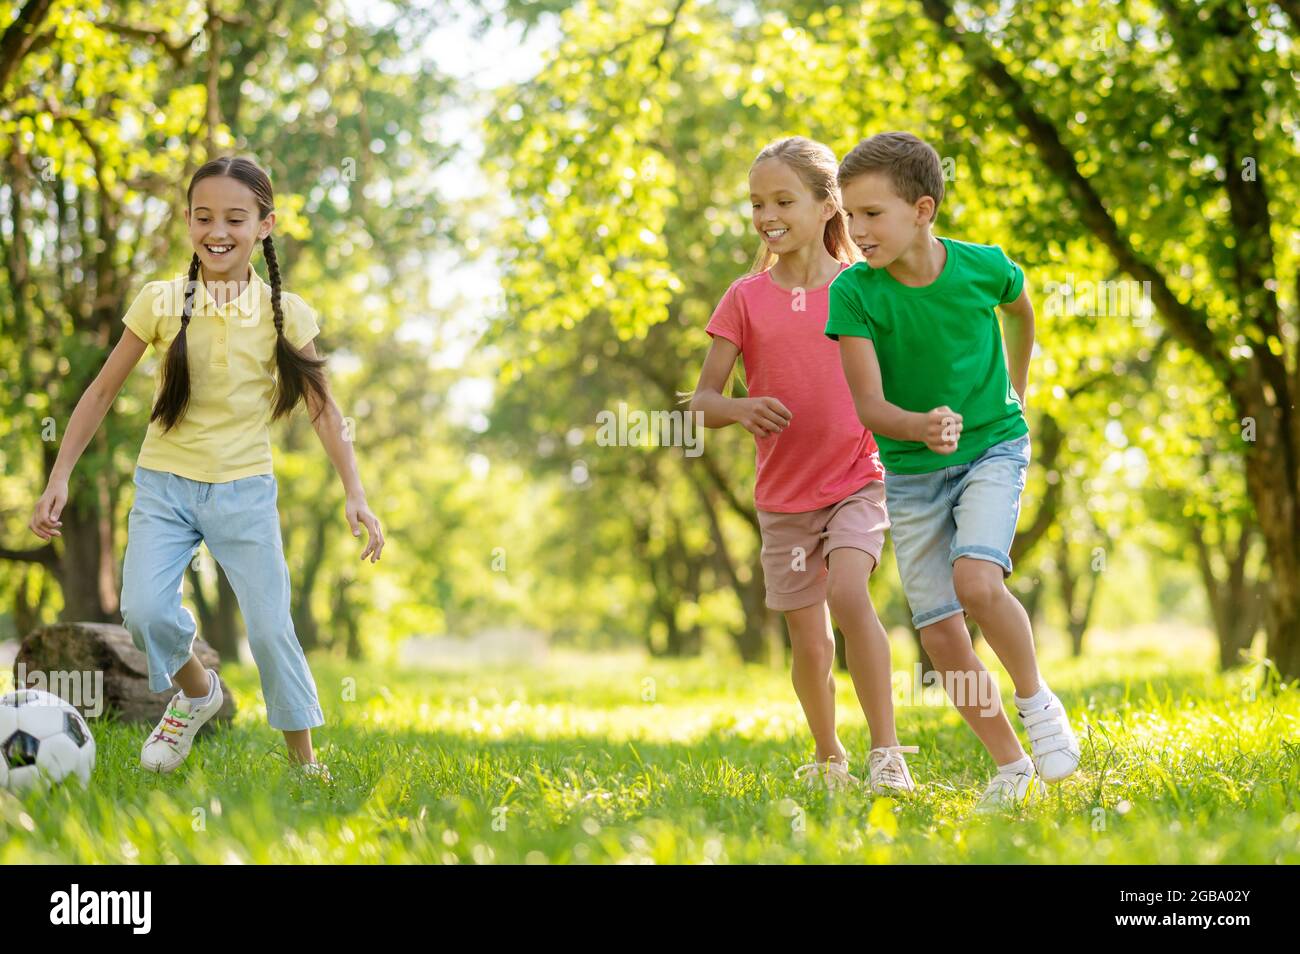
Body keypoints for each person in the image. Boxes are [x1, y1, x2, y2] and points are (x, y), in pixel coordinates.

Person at [28, 156, 385, 781]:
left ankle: (305, 765)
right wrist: (59, 477)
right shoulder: (161, 301)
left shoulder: (285, 313)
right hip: (165, 484)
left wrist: (355, 492)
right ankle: (197, 694)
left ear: (265, 226)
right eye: (203, 216)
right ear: (188, 222)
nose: (217, 230)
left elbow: (324, 410)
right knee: (143, 612)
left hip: (244, 490)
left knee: (272, 629)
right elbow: (100, 392)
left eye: (235, 218)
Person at [825, 131, 1080, 811]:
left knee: (977, 579)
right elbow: (869, 405)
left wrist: (1017, 387)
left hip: (993, 446)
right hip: (910, 472)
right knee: (940, 634)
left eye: (872, 214)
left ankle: (1037, 702)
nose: (858, 230)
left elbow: (1019, 304)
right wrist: (919, 426)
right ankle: (1012, 767)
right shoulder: (854, 294)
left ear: (924, 209)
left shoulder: (980, 267)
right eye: (849, 215)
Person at [691, 137, 917, 794]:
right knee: (809, 641)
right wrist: (741, 407)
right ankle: (829, 759)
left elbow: (908, 365)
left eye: (783, 200)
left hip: (857, 477)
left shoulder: (864, 287)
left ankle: (886, 754)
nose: (767, 214)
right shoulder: (745, 297)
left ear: (827, 207)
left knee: (849, 592)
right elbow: (703, 400)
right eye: (758, 202)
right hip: (785, 497)